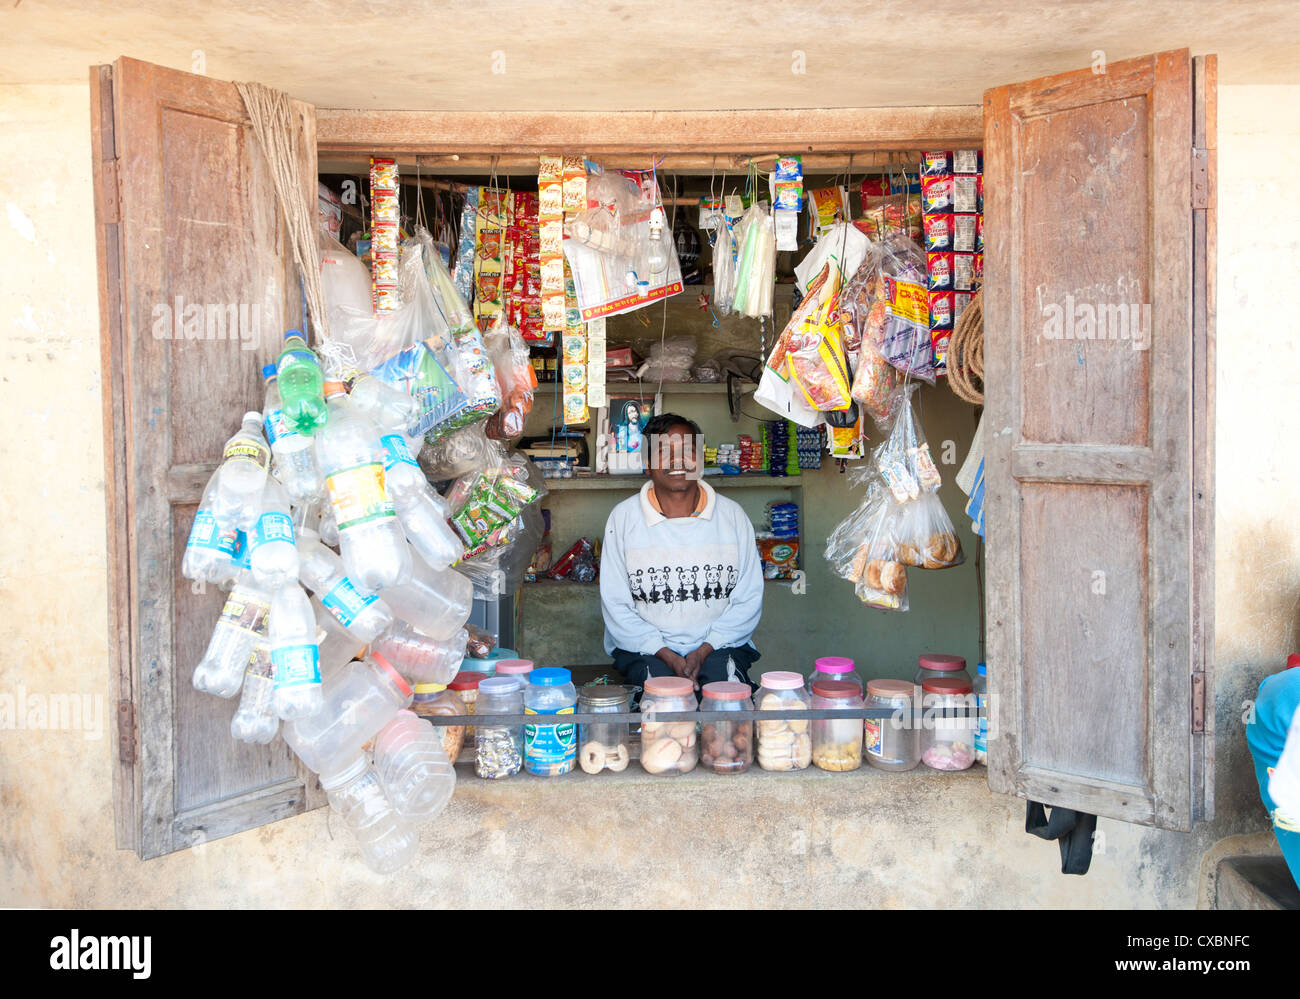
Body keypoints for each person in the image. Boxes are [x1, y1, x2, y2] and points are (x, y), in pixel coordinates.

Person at [599, 412, 764, 692]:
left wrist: (703, 650)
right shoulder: (624, 519)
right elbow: (616, 605)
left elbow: (748, 599)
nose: (678, 461)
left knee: (726, 700)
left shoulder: (732, 516)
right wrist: (666, 653)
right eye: (664, 451)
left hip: (721, 645)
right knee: (661, 701)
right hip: (646, 648)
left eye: (688, 450)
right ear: (647, 462)